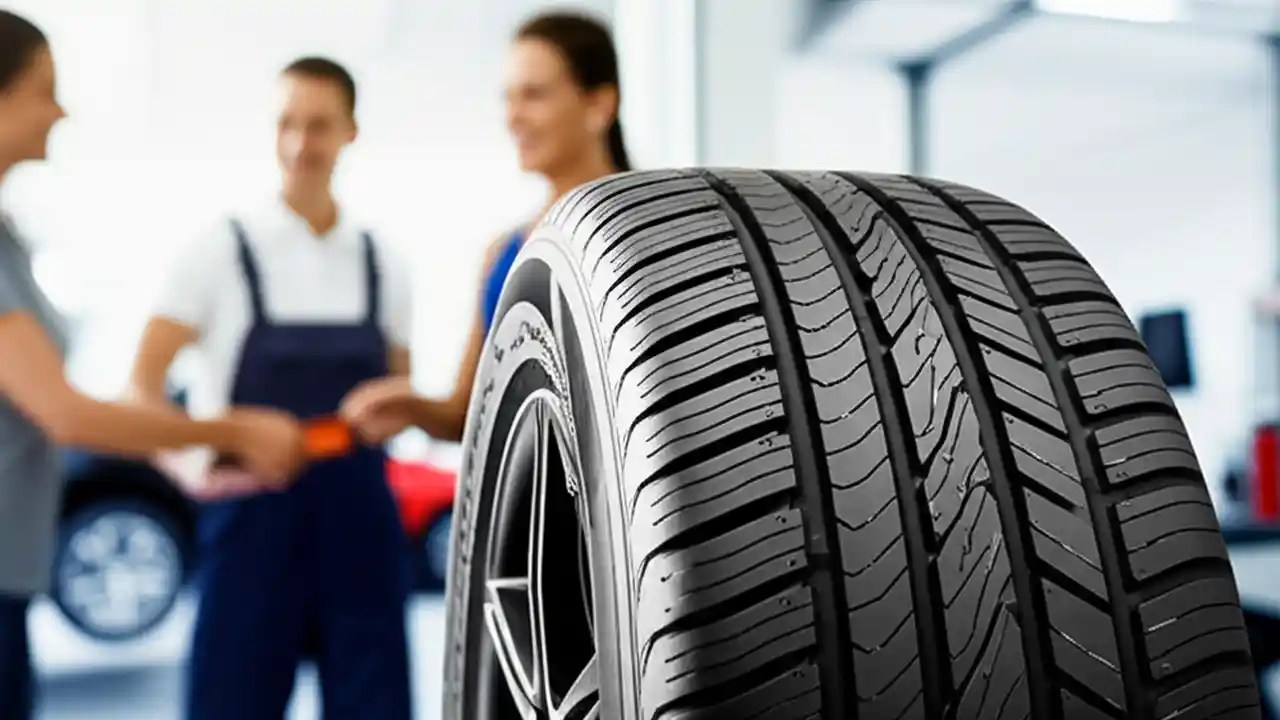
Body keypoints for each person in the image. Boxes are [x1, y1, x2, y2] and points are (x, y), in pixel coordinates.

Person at [0, 11, 307, 719]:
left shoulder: (9, 236)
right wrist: (229, 431)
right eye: (44, 88)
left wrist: (186, 451)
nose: (60, 110)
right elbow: (65, 414)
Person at [128, 57, 415, 718]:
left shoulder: (385, 263)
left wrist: (389, 414)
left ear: (350, 133)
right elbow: (139, 388)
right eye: (286, 124)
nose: (298, 144)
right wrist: (192, 467)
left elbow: (397, 394)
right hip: (250, 530)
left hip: (360, 529)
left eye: (318, 126)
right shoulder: (218, 250)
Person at [340, 10, 628, 444]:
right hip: (524, 504)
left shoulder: (640, 236)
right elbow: (467, 412)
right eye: (508, 98)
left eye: (534, 95)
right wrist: (411, 406)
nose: (513, 117)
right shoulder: (504, 252)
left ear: (599, 104)